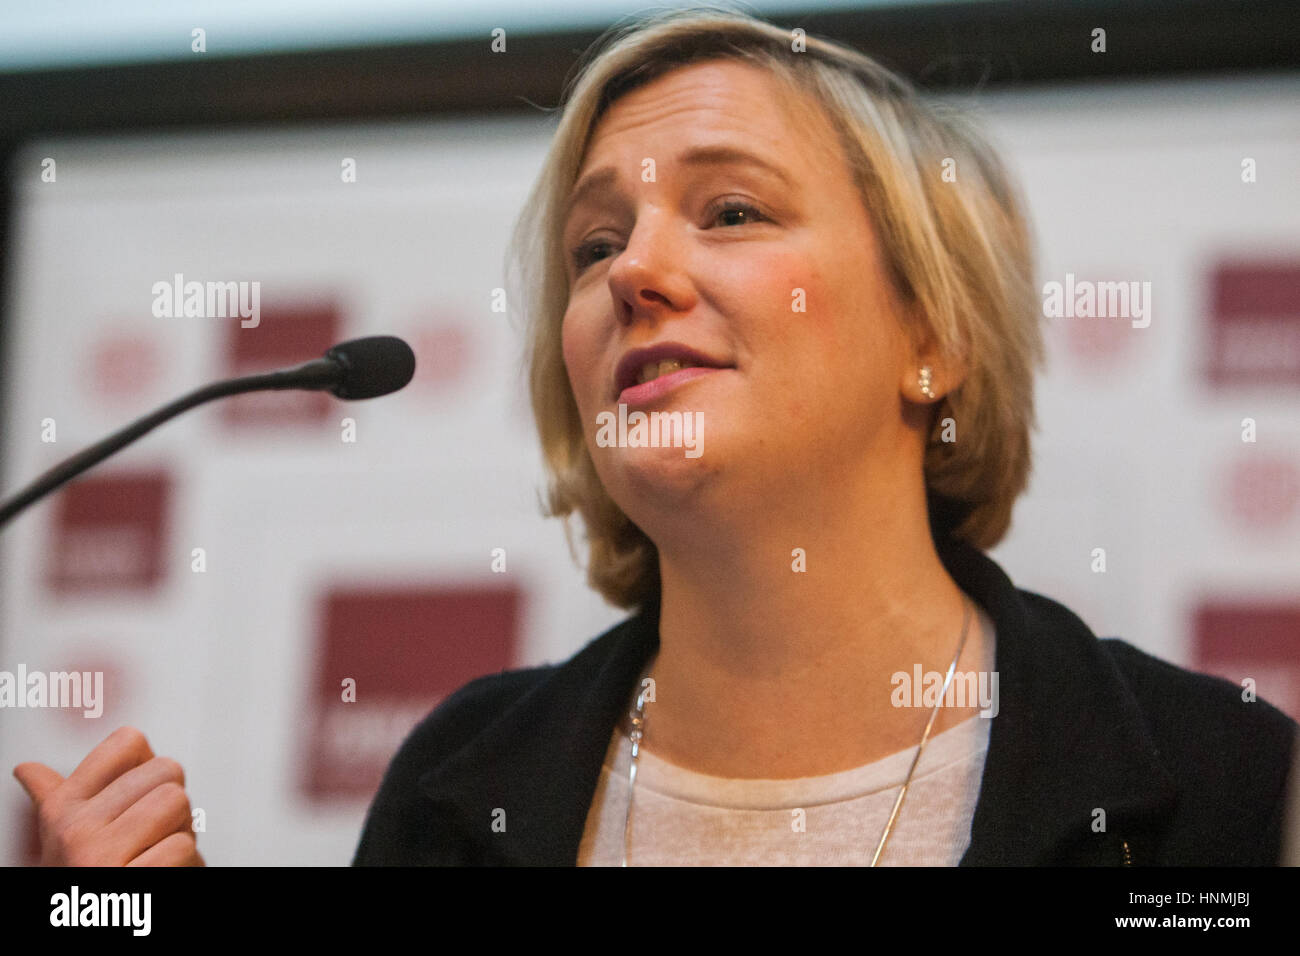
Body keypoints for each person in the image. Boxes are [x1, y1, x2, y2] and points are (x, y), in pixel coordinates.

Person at [14, 6, 1297, 867]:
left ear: (933, 333)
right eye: (593, 243)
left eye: (730, 211)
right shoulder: (459, 787)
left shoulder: (1223, 788)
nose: (638, 270)